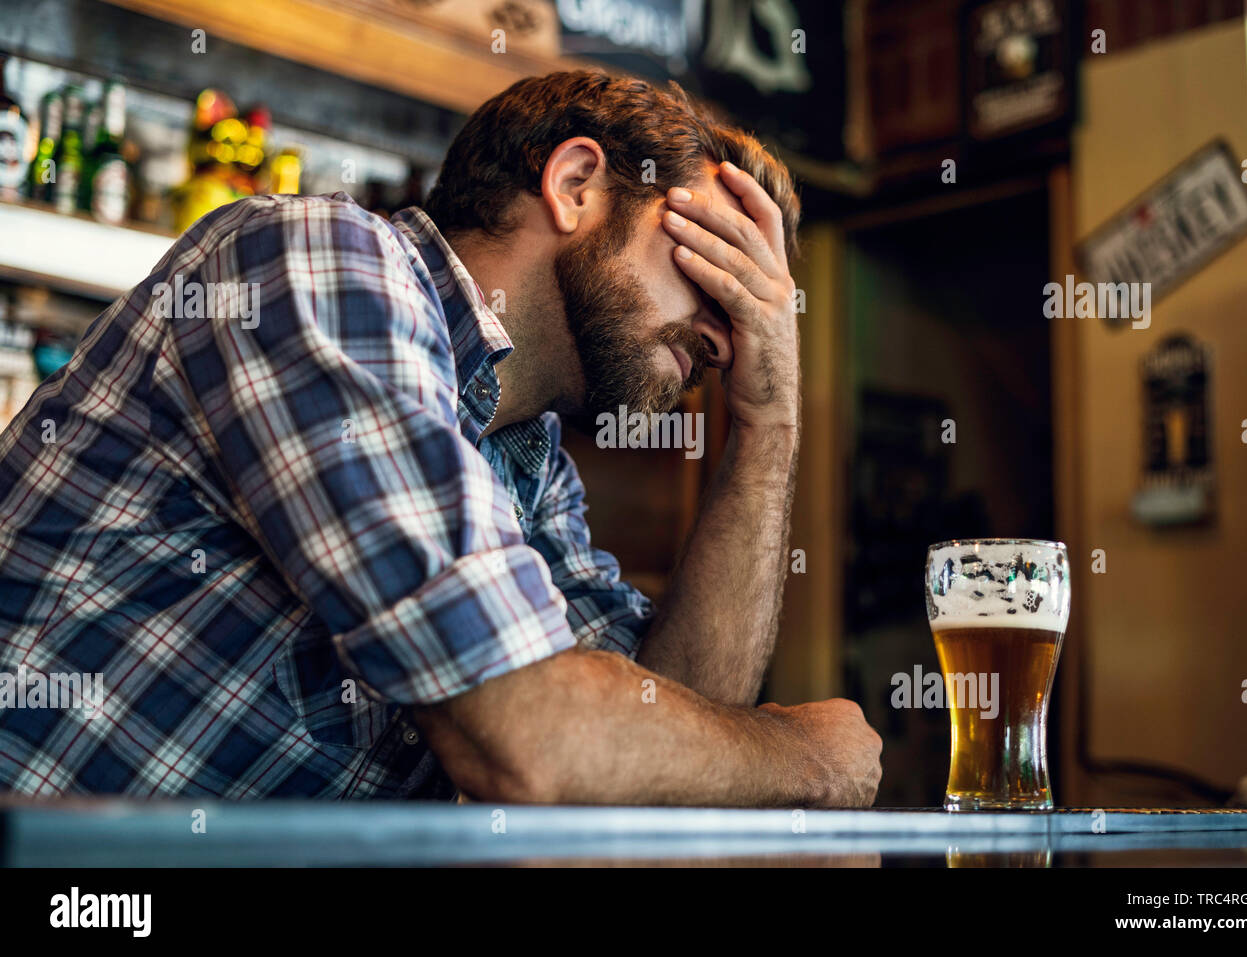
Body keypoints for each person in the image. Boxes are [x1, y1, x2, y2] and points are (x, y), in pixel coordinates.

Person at [0, 70, 881, 805]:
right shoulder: (319, 258)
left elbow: (659, 770)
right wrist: (809, 758)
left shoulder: (528, 468)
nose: (731, 339)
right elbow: (529, 734)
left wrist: (769, 427)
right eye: (717, 261)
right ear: (577, 184)